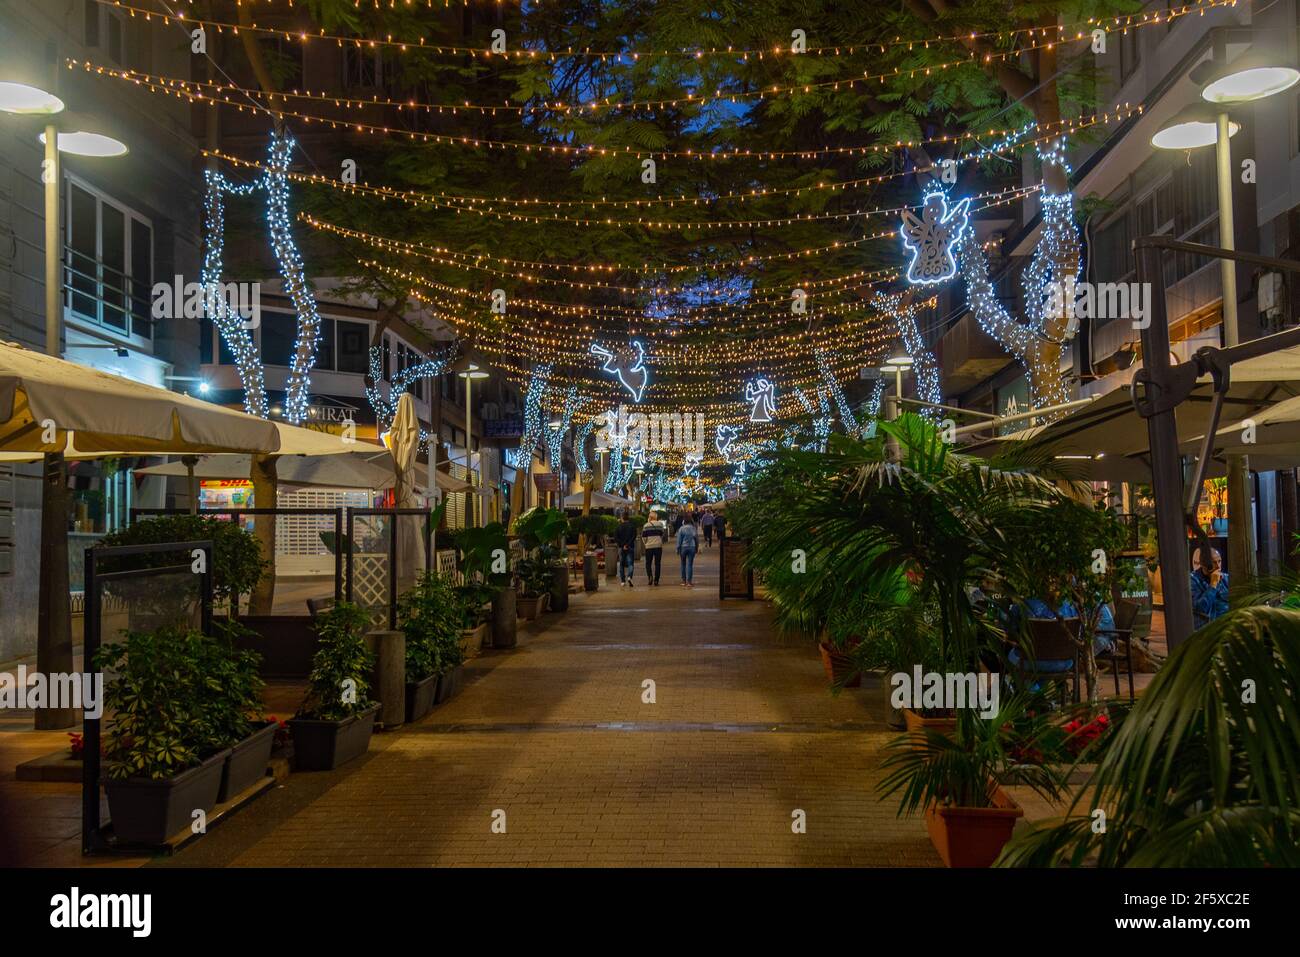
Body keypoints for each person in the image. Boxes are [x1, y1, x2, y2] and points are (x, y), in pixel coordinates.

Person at [1191, 547, 1229, 628]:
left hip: (1226, 625)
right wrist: (1213, 585)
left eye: (1219, 561)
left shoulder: (1226, 578)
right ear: (1203, 564)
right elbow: (1201, 608)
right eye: (1214, 563)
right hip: (1207, 627)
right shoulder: (1193, 579)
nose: (1218, 566)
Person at [641, 509, 668, 586]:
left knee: (648, 563)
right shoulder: (660, 524)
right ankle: (656, 580)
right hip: (658, 546)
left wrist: (646, 543)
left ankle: (650, 577)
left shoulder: (646, 525)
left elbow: (643, 537)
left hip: (649, 546)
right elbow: (662, 534)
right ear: (656, 517)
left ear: (649, 517)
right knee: (657, 563)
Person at [614, 510, 638, 588]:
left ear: (622, 518)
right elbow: (634, 536)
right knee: (630, 563)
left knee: (621, 564)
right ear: (628, 518)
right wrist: (627, 545)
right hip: (630, 546)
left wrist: (622, 545)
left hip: (621, 548)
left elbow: (616, 538)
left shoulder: (618, 526)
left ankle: (623, 581)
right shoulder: (632, 526)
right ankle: (629, 577)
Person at [676, 517, 699, 587]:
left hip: (683, 547)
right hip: (692, 547)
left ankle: (683, 581)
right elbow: (696, 538)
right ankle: (689, 582)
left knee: (683, 564)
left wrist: (678, 548)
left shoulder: (681, 529)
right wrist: (697, 547)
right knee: (690, 564)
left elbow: (679, 540)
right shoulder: (693, 528)